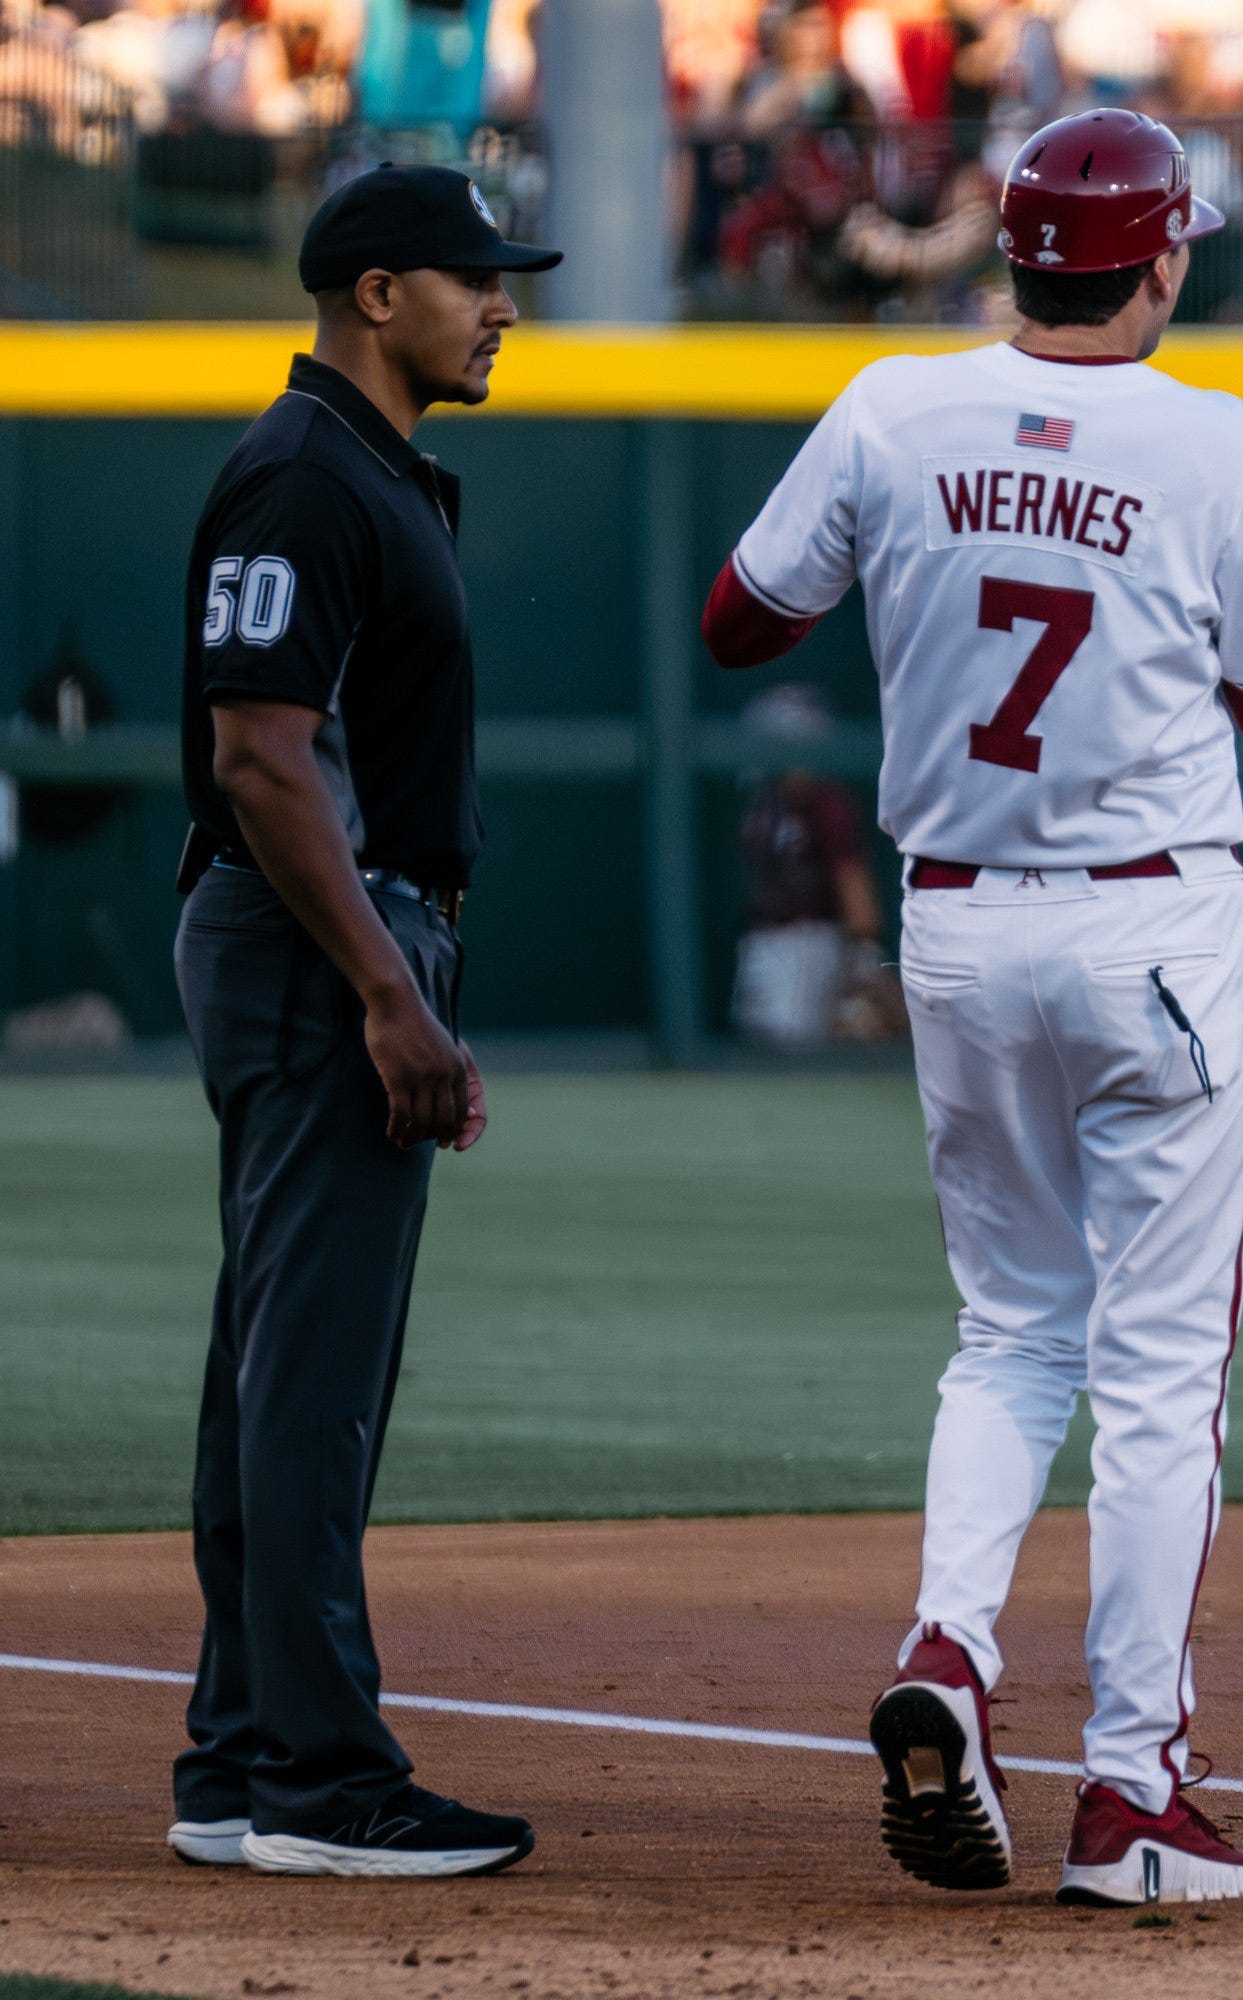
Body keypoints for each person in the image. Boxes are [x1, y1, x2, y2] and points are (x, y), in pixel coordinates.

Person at [697, 107, 1243, 1906]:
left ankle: (952, 1653)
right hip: (1150, 930)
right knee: (1158, 1371)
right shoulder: (1209, 439)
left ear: (1015, 251)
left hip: (958, 930)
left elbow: (741, 621)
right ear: (1165, 260)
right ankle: (1131, 1789)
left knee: (1008, 1332)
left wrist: (919, 575)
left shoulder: (894, 406)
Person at [167, 164, 558, 1880]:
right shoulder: (305, 477)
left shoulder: (359, 471)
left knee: (274, 1357)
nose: (505, 306)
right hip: (318, 941)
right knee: (313, 1375)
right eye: (477, 278)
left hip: (324, 937)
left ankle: (241, 1756)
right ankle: (323, 1782)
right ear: (374, 292)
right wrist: (388, 994)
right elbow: (259, 755)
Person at [730, 683, 890, 1050]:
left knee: (791, 1047)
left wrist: (863, 950)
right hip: (765, 936)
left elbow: (850, 877)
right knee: (759, 1041)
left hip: (809, 940)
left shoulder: (827, 805)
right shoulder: (766, 800)